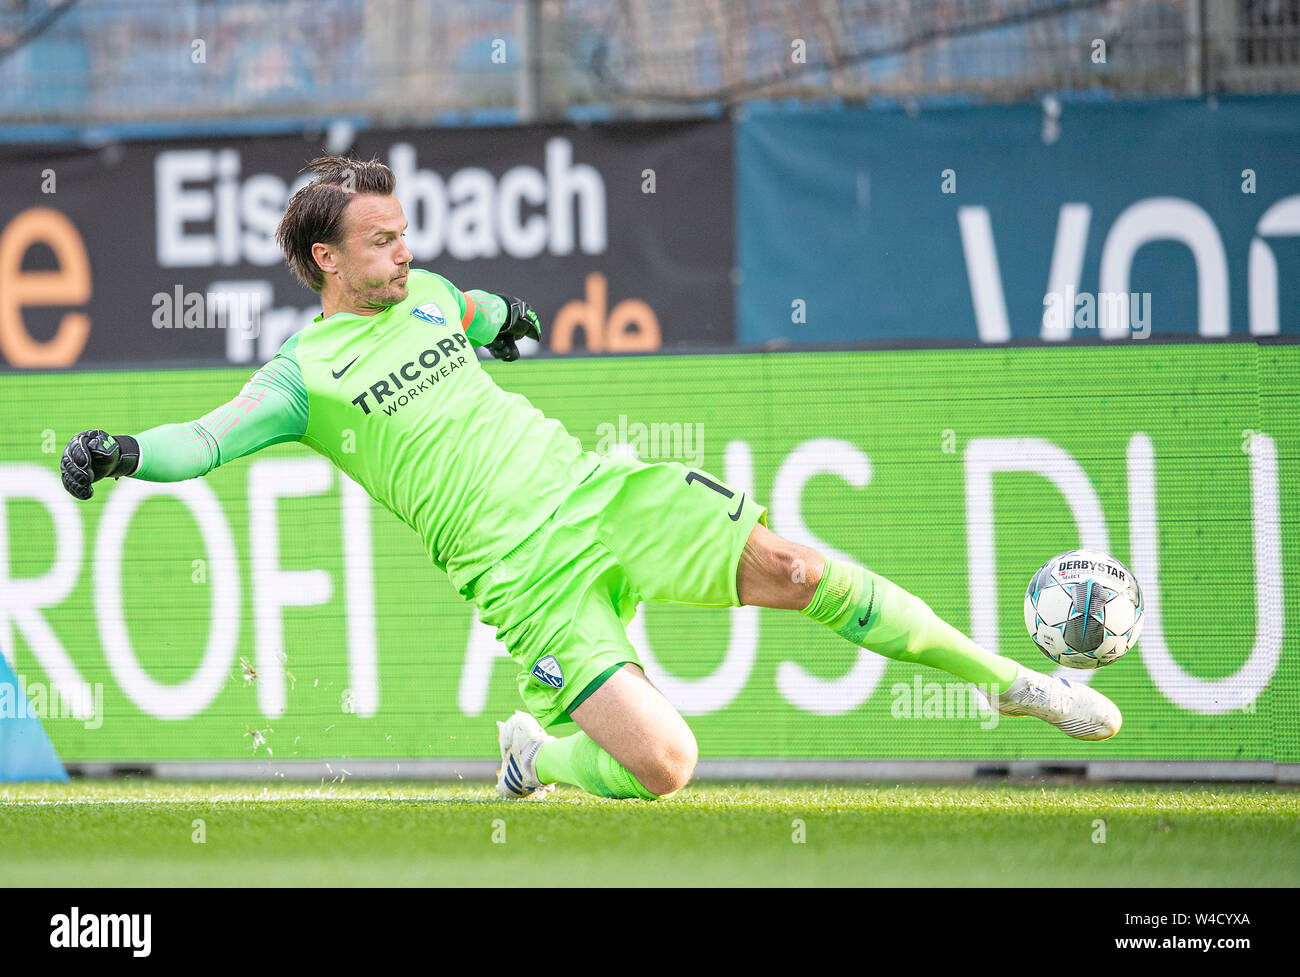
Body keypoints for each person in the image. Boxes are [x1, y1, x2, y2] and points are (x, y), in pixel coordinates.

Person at [60, 156, 1121, 802]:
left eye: (403, 235)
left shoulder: (424, 291)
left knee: (797, 566)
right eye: (379, 243)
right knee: (666, 764)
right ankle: (538, 755)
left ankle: (1011, 683)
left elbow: (476, 309)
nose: (401, 253)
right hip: (525, 580)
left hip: (600, 494)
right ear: (325, 261)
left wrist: (508, 317)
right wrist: (119, 451)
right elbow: (204, 440)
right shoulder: (303, 377)